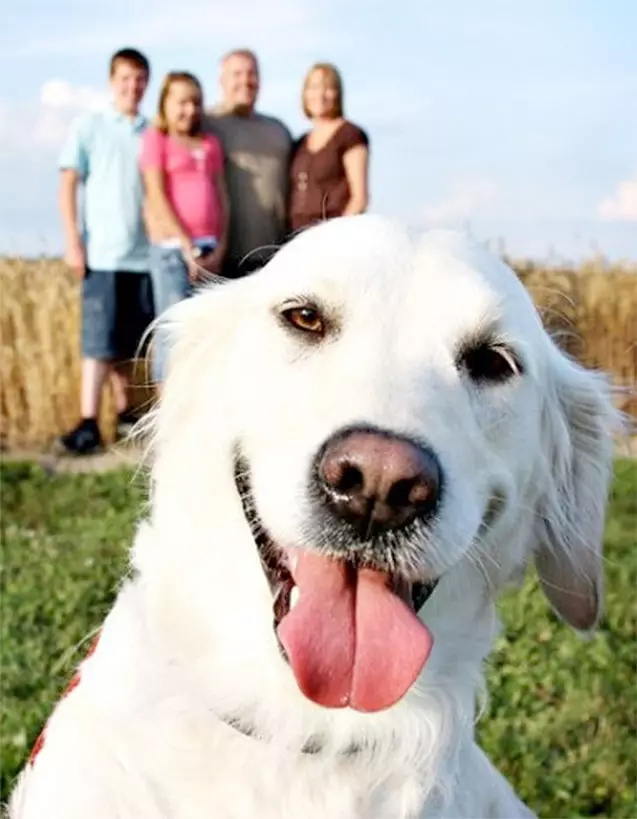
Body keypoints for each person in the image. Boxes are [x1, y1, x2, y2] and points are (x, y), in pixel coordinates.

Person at [56, 47, 154, 455]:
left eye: (139, 80)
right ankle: (89, 422)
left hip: (145, 253)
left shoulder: (153, 131)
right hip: (103, 253)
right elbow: (68, 184)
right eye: (125, 79)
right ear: (112, 82)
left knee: (130, 344)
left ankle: (127, 413)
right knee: (98, 342)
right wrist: (73, 240)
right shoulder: (89, 127)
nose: (132, 87)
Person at [140, 71, 229, 387]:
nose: (189, 110)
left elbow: (221, 196)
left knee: (204, 331)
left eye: (195, 102)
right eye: (181, 102)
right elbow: (157, 194)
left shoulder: (209, 144)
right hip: (172, 250)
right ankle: (166, 410)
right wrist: (185, 244)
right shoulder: (157, 141)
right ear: (165, 104)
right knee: (173, 327)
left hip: (208, 247)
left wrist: (220, 246)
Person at [205, 49, 292, 278]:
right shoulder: (206, 126)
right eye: (237, 74)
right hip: (221, 258)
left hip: (273, 257)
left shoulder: (279, 131)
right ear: (222, 81)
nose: (245, 81)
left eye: (251, 74)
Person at [288, 63, 369, 234]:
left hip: (332, 237)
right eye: (314, 87)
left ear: (338, 93)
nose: (320, 95)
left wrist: (335, 237)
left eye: (328, 88)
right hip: (297, 236)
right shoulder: (300, 143)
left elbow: (359, 198)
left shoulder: (349, 135)